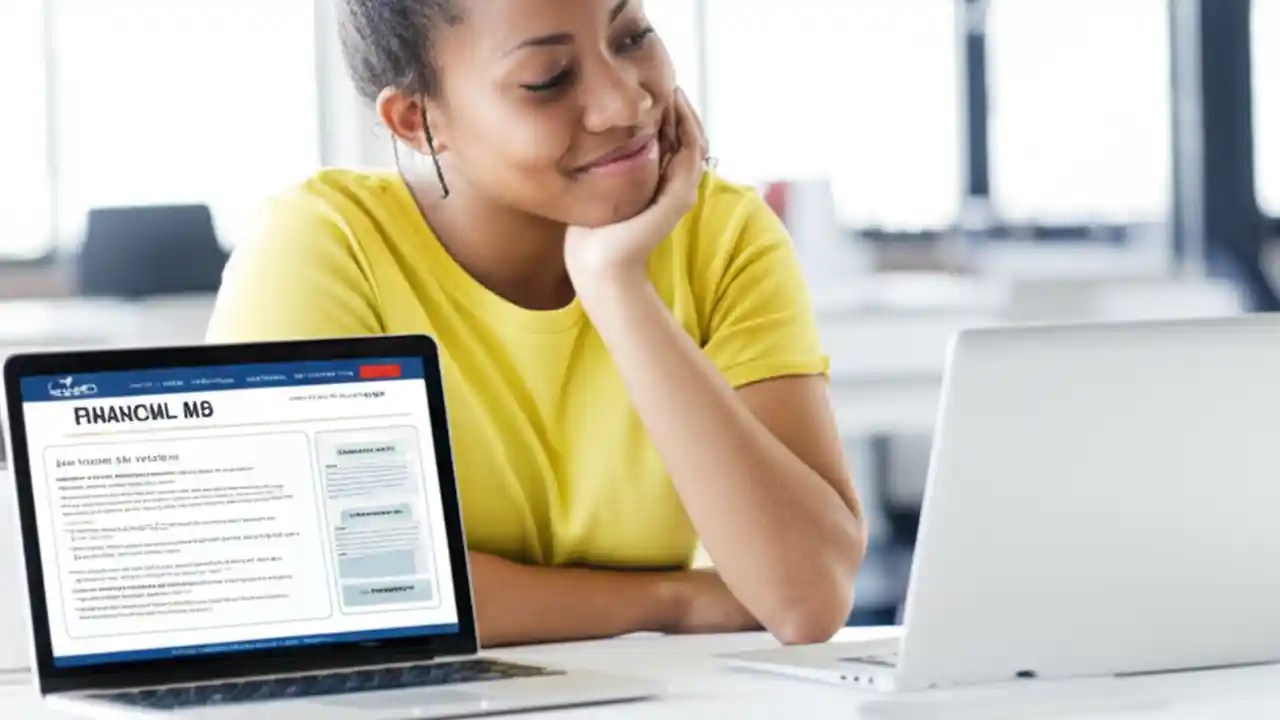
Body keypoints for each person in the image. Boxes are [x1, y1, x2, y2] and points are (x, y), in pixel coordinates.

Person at [207, 0, 867, 648]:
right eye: (549, 79)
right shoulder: (322, 245)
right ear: (417, 119)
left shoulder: (722, 233)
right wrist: (677, 600)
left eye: (633, 36)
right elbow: (321, 589)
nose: (626, 103)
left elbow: (806, 598)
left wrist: (615, 287)